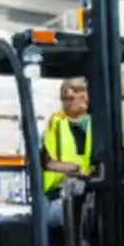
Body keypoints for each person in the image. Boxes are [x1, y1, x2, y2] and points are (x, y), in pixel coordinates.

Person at [40, 77, 92, 229]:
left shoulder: (97, 123)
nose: (70, 95)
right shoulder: (56, 123)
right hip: (57, 196)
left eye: (77, 90)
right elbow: (47, 162)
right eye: (65, 93)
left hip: (88, 191)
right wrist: (75, 169)